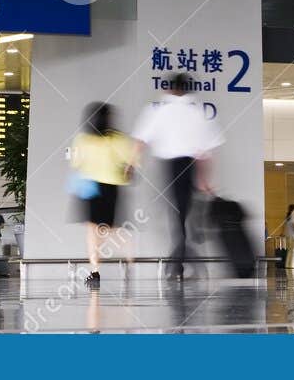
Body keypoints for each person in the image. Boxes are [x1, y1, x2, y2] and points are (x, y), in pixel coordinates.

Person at [132, 73, 222, 281]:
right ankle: (184, 248)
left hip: (170, 166)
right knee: (183, 209)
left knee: (177, 212)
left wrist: (132, 164)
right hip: (190, 165)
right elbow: (206, 153)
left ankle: (180, 256)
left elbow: (141, 140)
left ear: (171, 89)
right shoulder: (198, 112)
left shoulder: (159, 110)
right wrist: (204, 180)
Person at [70, 102, 136, 288]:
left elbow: (76, 164)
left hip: (90, 187)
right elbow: (129, 166)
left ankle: (95, 271)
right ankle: (130, 257)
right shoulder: (120, 139)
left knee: (92, 232)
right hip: (112, 187)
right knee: (113, 227)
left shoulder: (83, 139)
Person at [280, 203, 294, 271]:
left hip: (288, 236)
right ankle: (293, 264)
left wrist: (282, 233)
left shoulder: (287, 217)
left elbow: (284, 226)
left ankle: (288, 264)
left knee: (289, 250)